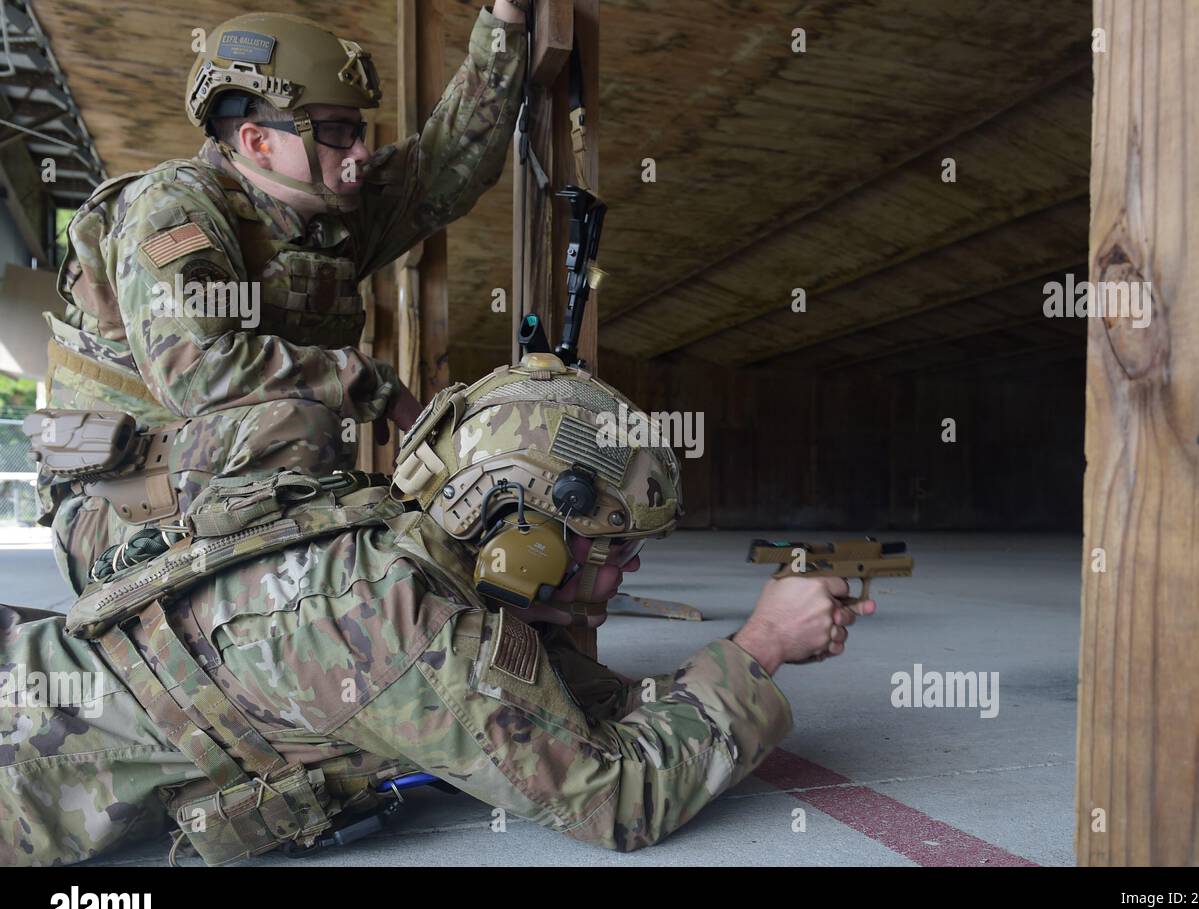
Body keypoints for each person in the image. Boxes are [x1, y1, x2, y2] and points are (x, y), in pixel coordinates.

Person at [0, 356, 874, 865]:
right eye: (614, 552)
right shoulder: (406, 628)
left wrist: (718, 668)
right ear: (524, 539)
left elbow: (565, 707)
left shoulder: (398, 545)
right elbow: (618, 796)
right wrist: (761, 648)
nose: (627, 574)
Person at [35, 2, 529, 596]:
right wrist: (369, 381)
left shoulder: (324, 213)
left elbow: (449, 167)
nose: (360, 153)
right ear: (256, 141)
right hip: (121, 511)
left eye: (359, 131)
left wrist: (505, 23)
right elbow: (196, 373)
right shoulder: (172, 209)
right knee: (301, 424)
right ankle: (267, 616)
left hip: (212, 477)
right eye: (338, 133)